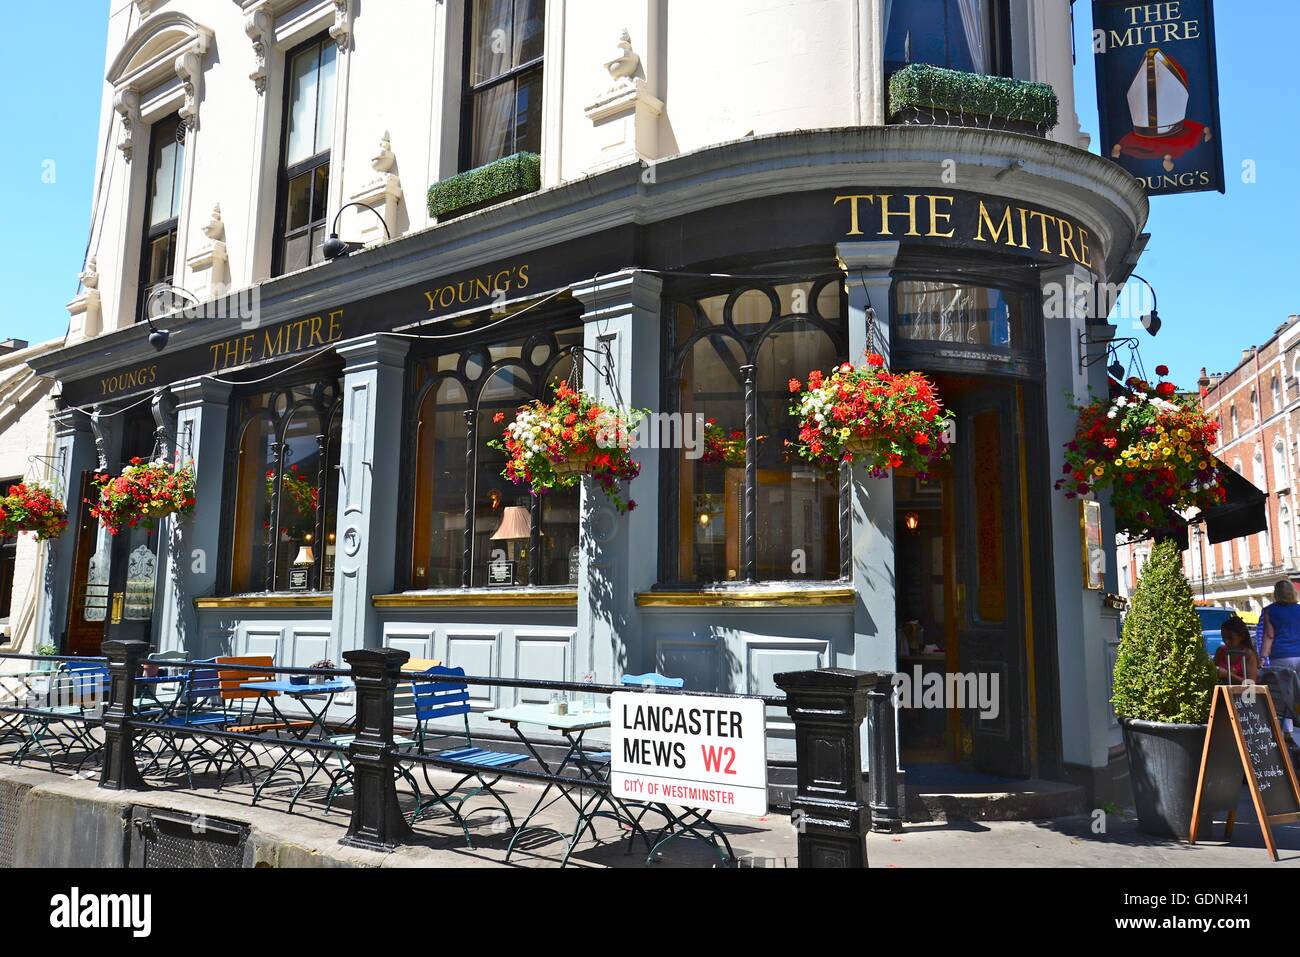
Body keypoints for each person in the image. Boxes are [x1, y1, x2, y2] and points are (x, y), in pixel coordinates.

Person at [1259, 580, 1300, 672]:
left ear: (1276, 593)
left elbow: (1269, 636)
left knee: (1283, 686)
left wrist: (1263, 657)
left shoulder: (1269, 610)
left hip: (1280, 656)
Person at [1214, 616, 1259, 683]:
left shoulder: (1248, 654)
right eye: (1223, 637)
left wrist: (1228, 674)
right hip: (1221, 691)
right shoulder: (1220, 651)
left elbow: (1251, 684)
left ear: (1241, 637)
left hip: (1242, 693)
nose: (1226, 641)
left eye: (1230, 638)